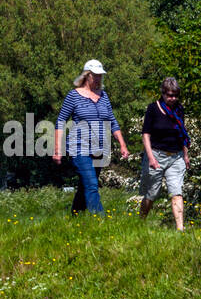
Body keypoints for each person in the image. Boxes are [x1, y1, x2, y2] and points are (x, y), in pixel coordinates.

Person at [53, 59, 131, 215]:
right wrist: (57, 149)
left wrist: (122, 144)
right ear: (86, 76)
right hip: (79, 147)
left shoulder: (103, 96)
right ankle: (100, 221)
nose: (98, 79)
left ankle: (76, 218)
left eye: (100, 76)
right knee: (91, 185)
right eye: (95, 76)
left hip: (98, 149)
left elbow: (112, 121)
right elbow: (60, 122)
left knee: (85, 186)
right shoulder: (73, 96)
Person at [140, 77, 191, 231]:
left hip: (176, 156)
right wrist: (150, 157)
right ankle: (141, 222)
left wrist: (186, 155)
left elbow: (182, 134)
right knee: (152, 194)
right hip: (156, 155)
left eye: (175, 95)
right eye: (169, 95)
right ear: (162, 93)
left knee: (177, 192)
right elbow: (146, 135)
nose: (172, 98)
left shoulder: (179, 109)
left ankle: (180, 229)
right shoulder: (153, 109)